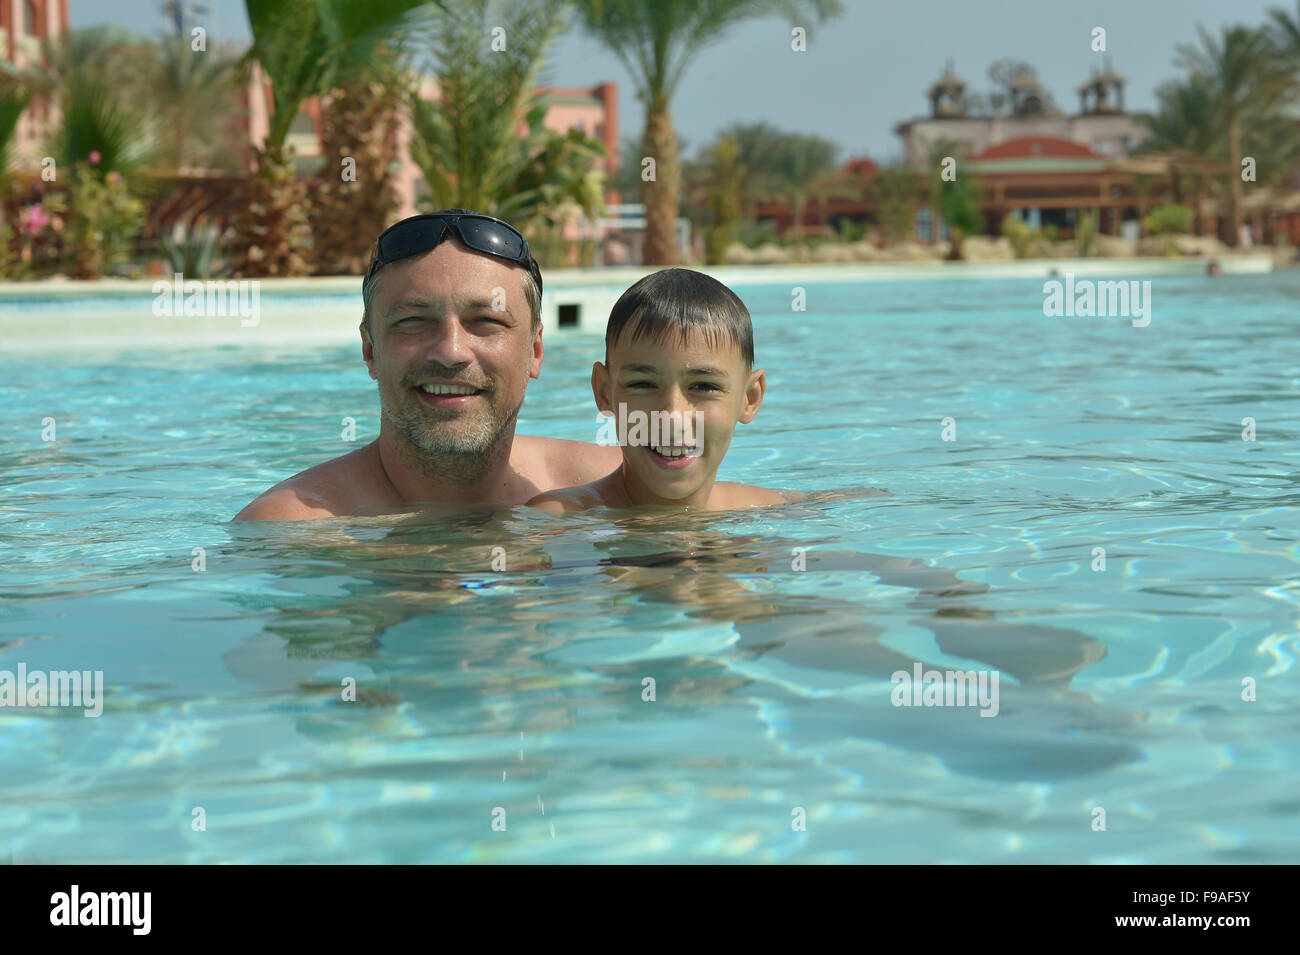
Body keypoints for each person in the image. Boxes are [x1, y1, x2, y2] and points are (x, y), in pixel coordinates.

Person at [233, 210, 621, 521]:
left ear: (534, 352)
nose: (451, 351)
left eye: (485, 321)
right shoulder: (291, 532)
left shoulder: (618, 486)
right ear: (370, 350)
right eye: (413, 322)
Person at [527, 268, 792, 512]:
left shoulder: (766, 509)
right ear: (604, 392)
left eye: (703, 386)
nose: (672, 417)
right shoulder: (561, 521)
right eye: (642, 384)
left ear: (750, 398)